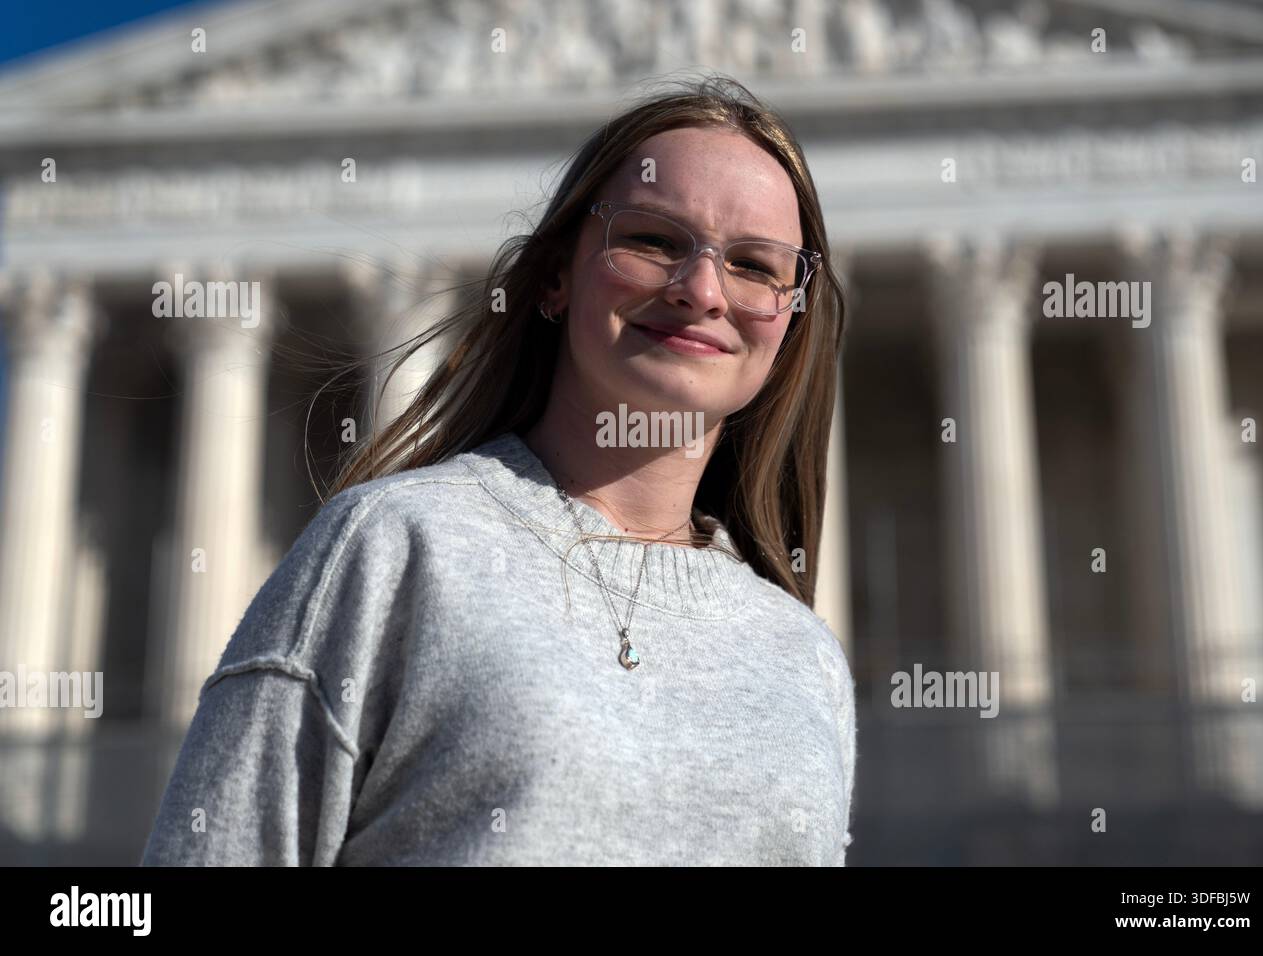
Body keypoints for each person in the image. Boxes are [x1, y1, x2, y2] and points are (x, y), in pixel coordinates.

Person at [140, 75, 856, 866]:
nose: (702, 290)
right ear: (554, 276)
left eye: (757, 265)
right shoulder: (393, 548)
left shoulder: (805, 655)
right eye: (652, 240)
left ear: (791, 320)